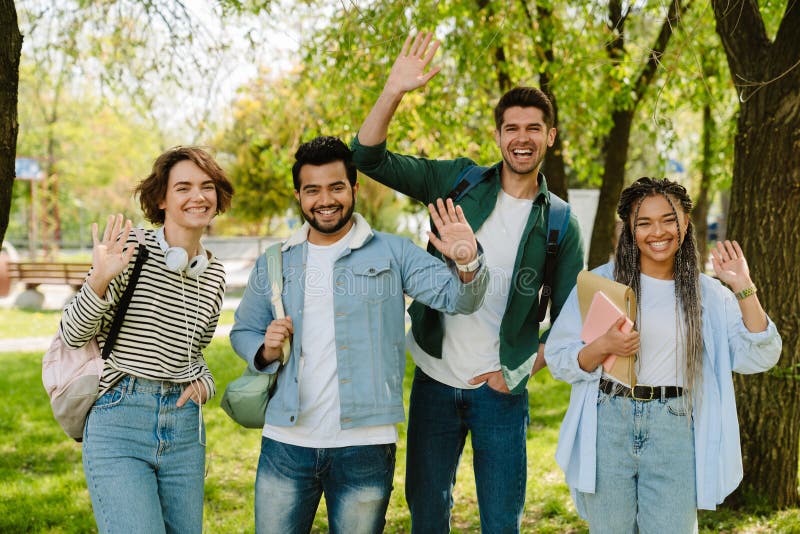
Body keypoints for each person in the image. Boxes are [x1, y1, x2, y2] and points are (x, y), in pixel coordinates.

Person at [351, 32, 585, 532]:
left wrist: (519, 371)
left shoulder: (561, 222)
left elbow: (570, 323)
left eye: (534, 129)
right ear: (498, 136)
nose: (522, 138)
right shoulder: (458, 181)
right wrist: (393, 91)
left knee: (502, 520)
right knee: (428, 513)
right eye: (511, 128)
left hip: (500, 391)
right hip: (435, 379)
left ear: (551, 136)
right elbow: (368, 159)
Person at [230, 135, 488, 534]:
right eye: (312, 190)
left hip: (365, 445)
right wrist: (264, 350)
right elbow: (243, 330)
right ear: (299, 195)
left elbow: (461, 300)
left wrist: (469, 262)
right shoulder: (275, 261)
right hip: (286, 441)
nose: (325, 199)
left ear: (354, 187)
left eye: (335, 187)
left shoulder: (394, 253)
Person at [545, 177, 782, 533]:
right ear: (629, 229)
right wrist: (602, 347)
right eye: (644, 222)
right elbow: (560, 357)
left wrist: (743, 287)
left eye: (668, 219)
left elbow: (759, 356)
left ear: (685, 223)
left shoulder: (708, 295)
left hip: (674, 425)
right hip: (609, 421)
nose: (658, 231)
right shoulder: (601, 283)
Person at [60, 146, 234, 533]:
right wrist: (99, 279)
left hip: (185, 428)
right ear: (161, 198)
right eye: (183, 187)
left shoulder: (215, 273)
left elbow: (195, 352)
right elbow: (72, 334)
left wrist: (205, 382)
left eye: (207, 187)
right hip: (120, 417)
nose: (198, 197)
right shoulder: (130, 249)